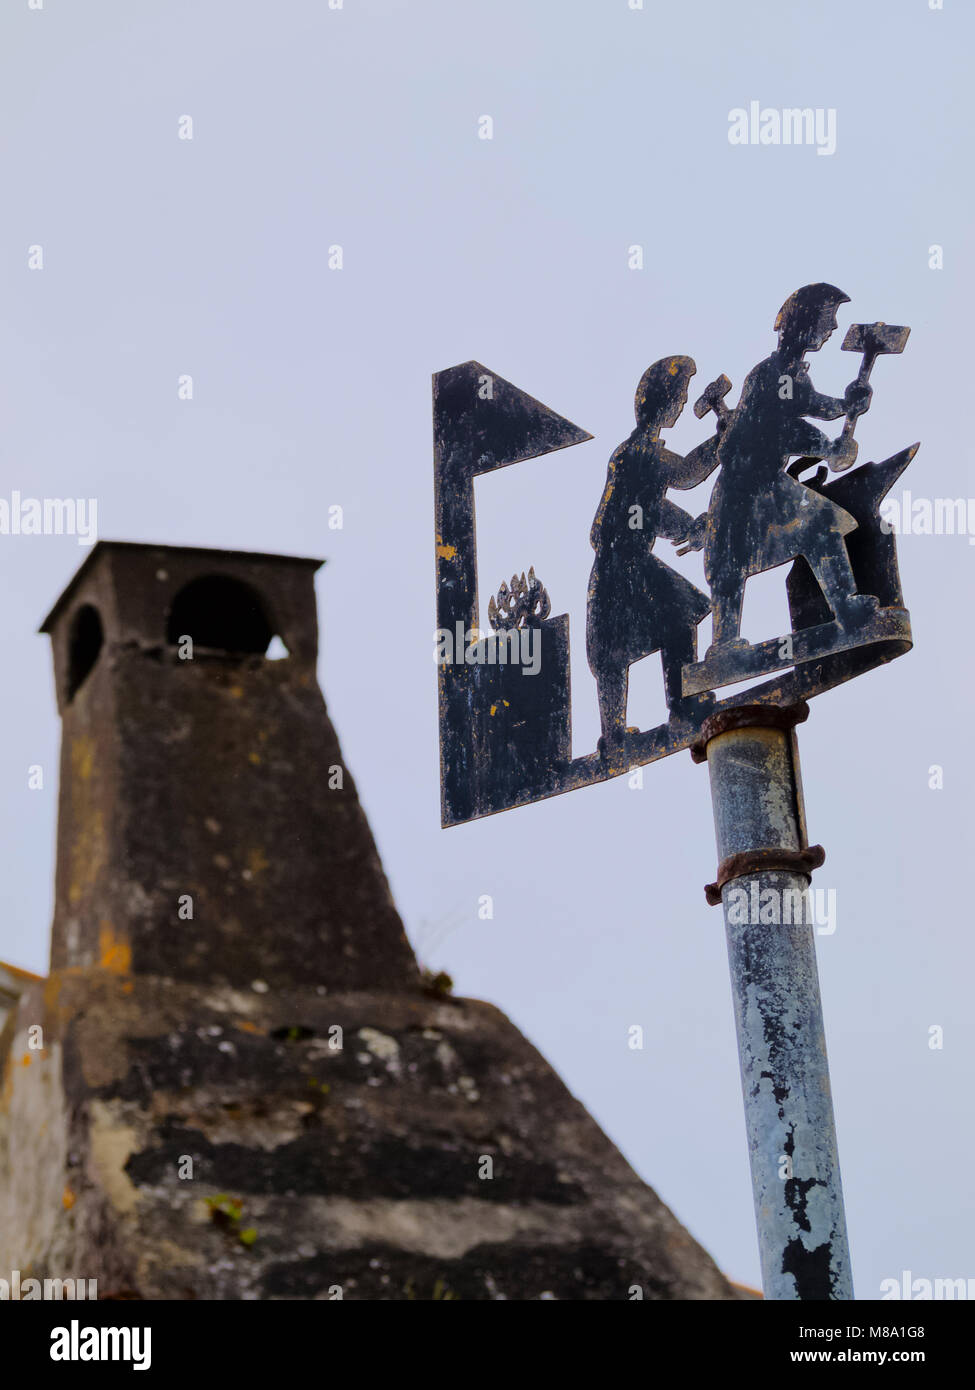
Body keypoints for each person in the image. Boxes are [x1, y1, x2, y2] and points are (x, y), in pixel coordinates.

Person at [693, 283, 875, 652]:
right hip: (746, 484)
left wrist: (846, 403)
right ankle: (725, 643)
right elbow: (782, 429)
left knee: (816, 527)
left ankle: (845, 606)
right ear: (806, 323)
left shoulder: (789, 372)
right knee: (732, 566)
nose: (834, 328)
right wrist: (828, 445)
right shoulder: (772, 374)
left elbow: (812, 404)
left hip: (763, 481)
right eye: (828, 319)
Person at [586, 356, 718, 755]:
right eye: (679, 396)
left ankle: (632, 727)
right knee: (645, 636)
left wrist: (687, 528)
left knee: (620, 648)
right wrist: (724, 438)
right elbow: (685, 475)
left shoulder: (637, 453)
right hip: (621, 562)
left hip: (622, 561)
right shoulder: (638, 454)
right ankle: (661, 716)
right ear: (662, 402)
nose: (682, 403)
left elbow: (652, 507)